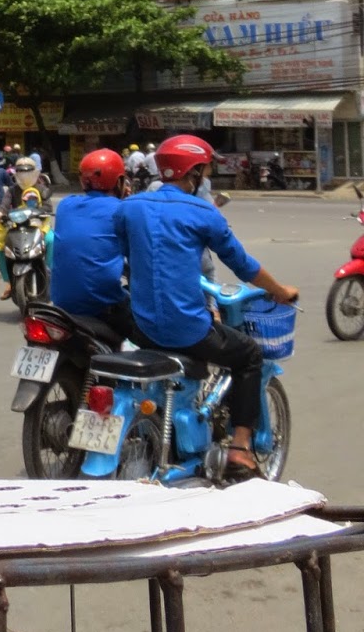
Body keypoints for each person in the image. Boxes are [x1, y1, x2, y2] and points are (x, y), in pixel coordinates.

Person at [115, 134, 299, 479]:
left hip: (141, 327)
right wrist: (278, 291)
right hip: (185, 329)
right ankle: (241, 449)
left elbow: (125, 253)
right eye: (205, 169)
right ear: (195, 172)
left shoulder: (131, 207)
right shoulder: (203, 212)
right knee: (248, 355)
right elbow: (242, 265)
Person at [50, 148, 134, 336]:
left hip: (61, 303)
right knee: (148, 331)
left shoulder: (66, 205)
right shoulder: (123, 210)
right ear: (119, 181)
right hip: (102, 305)